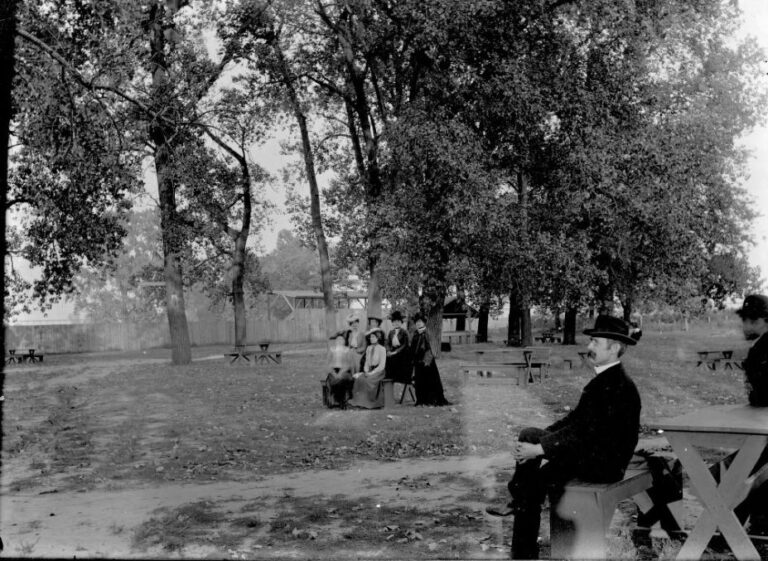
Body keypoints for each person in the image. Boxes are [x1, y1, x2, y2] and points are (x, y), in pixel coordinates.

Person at [486, 314, 641, 559]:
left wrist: (539, 449)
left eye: (595, 342)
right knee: (530, 450)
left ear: (614, 348)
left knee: (531, 482)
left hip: (604, 466)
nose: (589, 347)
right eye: (591, 341)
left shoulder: (616, 385)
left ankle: (522, 548)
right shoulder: (607, 379)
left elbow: (583, 433)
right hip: (593, 456)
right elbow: (575, 421)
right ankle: (520, 520)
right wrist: (543, 439)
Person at [732, 294, 768, 534]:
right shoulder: (761, 347)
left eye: (746, 320)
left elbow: (761, 394)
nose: (743, 326)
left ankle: (730, 524)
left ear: (759, 321)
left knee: (739, 471)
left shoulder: (762, 350)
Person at [409, 313, 450, 406]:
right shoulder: (416, 335)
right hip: (418, 362)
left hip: (428, 362)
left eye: (420, 322)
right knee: (420, 382)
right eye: (417, 322)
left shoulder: (429, 333)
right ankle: (422, 400)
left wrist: (426, 360)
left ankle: (433, 399)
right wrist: (414, 360)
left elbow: (432, 347)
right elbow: (413, 349)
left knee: (431, 381)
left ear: (424, 323)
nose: (418, 323)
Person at [348, 328, 387, 409]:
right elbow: (367, 362)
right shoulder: (369, 348)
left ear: (378, 338)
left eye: (373, 337)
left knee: (368, 380)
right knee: (360, 379)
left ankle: (370, 403)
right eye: (371, 337)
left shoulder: (382, 349)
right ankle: (359, 401)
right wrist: (366, 370)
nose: (371, 339)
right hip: (369, 370)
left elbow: (381, 365)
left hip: (379, 371)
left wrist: (372, 373)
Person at [323, 331, 354, 408]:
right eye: (338, 340)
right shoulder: (331, 350)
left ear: (344, 341)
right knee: (334, 380)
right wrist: (333, 373)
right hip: (333, 370)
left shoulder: (347, 350)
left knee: (342, 380)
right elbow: (328, 363)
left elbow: (349, 364)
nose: (340, 341)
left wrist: (340, 373)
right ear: (335, 341)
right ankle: (339, 400)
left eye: (342, 340)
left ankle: (339, 400)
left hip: (344, 370)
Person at [385, 310, 412, 385]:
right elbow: (387, 343)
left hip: (402, 352)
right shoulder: (391, 332)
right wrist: (388, 351)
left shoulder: (404, 332)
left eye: (398, 321)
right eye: (395, 321)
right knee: (387, 358)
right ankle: (390, 378)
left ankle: (400, 379)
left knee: (399, 359)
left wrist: (395, 352)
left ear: (401, 322)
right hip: (392, 351)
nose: (396, 323)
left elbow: (405, 344)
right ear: (392, 323)